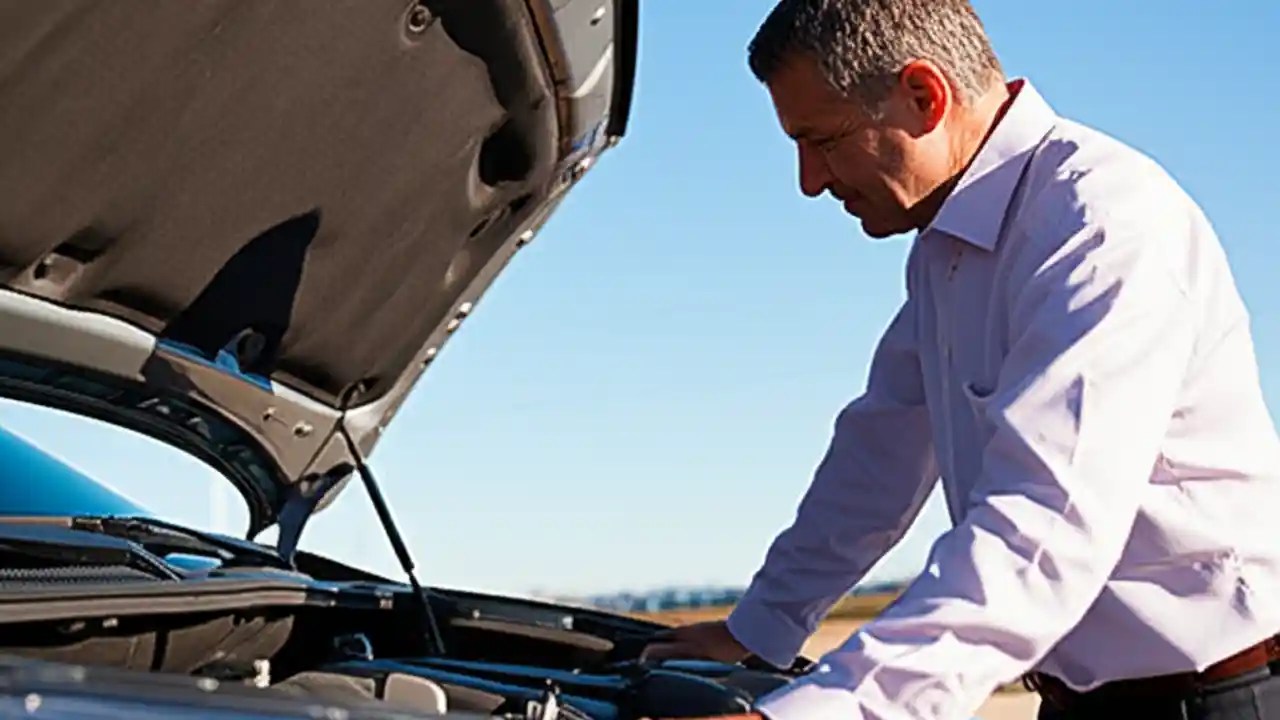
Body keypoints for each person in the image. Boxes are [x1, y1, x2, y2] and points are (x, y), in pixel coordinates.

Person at [642, 1, 1280, 719]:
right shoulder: (946, 246)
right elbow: (878, 455)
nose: (810, 180)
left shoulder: (1100, 225)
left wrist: (811, 714)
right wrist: (759, 627)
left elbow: (1046, 521)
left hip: (1214, 702)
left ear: (924, 96)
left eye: (821, 140)